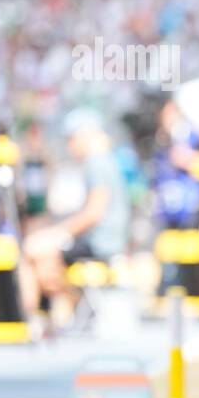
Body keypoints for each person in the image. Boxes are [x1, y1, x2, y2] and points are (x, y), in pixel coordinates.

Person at [19, 109, 131, 327]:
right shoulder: (107, 159)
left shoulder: (96, 163)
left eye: (72, 138)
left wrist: (60, 232)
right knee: (45, 251)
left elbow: (94, 213)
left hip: (101, 243)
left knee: (33, 248)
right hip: (107, 240)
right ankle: (69, 308)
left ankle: (32, 319)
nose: (70, 145)